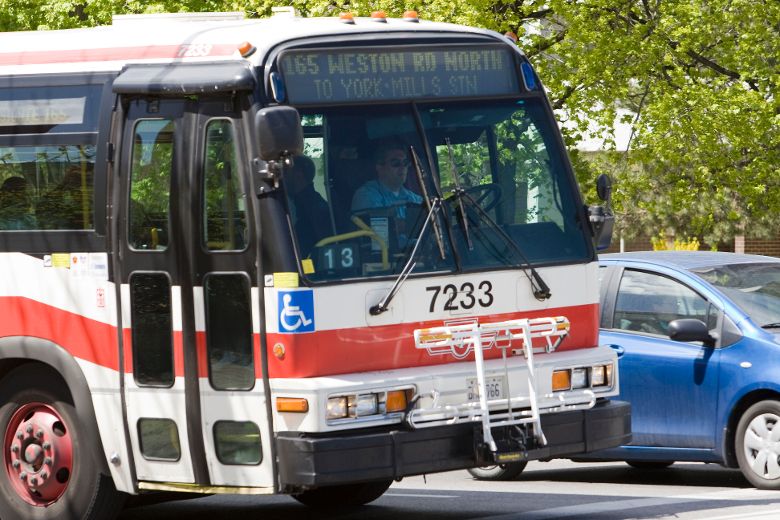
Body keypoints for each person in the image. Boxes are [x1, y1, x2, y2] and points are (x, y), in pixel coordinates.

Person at [350, 141, 423, 216]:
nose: (403, 168)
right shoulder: (365, 196)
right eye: (396, 163)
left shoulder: (415, 199)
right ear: (380, 167)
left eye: (405, 163)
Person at [286, 155, 331, 256]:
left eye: (286, 173)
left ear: (299, 175)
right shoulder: (298, 201)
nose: (282, 178)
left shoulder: (312, 207)